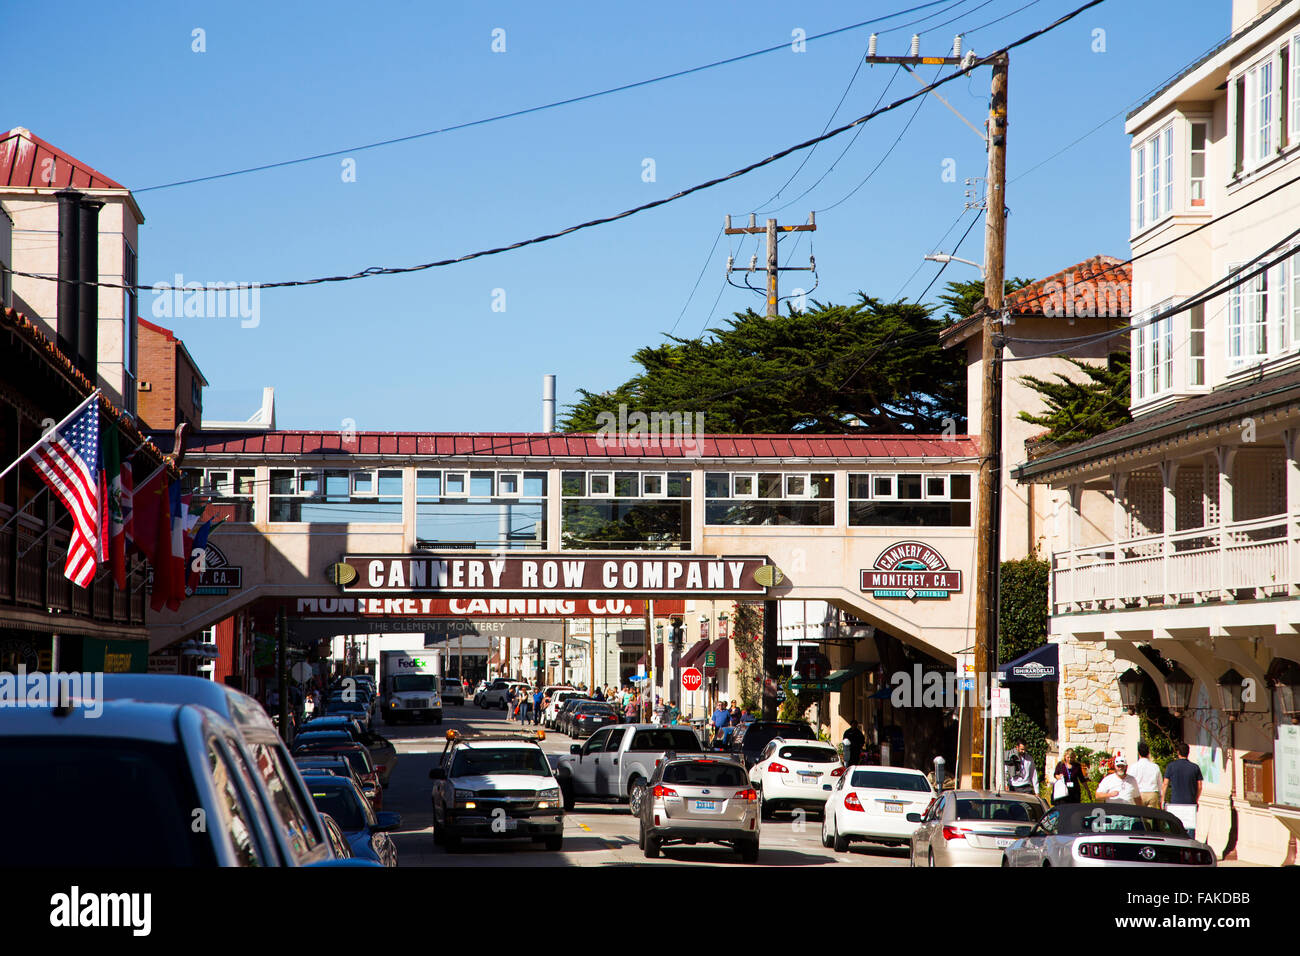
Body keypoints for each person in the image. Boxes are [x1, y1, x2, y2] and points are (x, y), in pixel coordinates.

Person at [1162, 742, 1204, 838]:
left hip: (1175, 803)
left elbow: (1165, 784)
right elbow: (1200, 786)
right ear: (1188, 752)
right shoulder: (1195, 767)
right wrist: (1196, 799)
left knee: (1175, 829)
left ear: (1178, 752)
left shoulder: (1171, 766)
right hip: (1190, 803)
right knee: (1190, 829)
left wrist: (1163, 800)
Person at [1131, 740, 1163, 808]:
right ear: (1148, 753)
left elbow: (1130, 782)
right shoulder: (1155, 767)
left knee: (1140, 815)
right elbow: (1160, 783)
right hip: (1152, 793)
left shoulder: (1134, 767)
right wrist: (1161, 798)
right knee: (1151, 816)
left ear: (1138, 753)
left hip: (1139, 794)